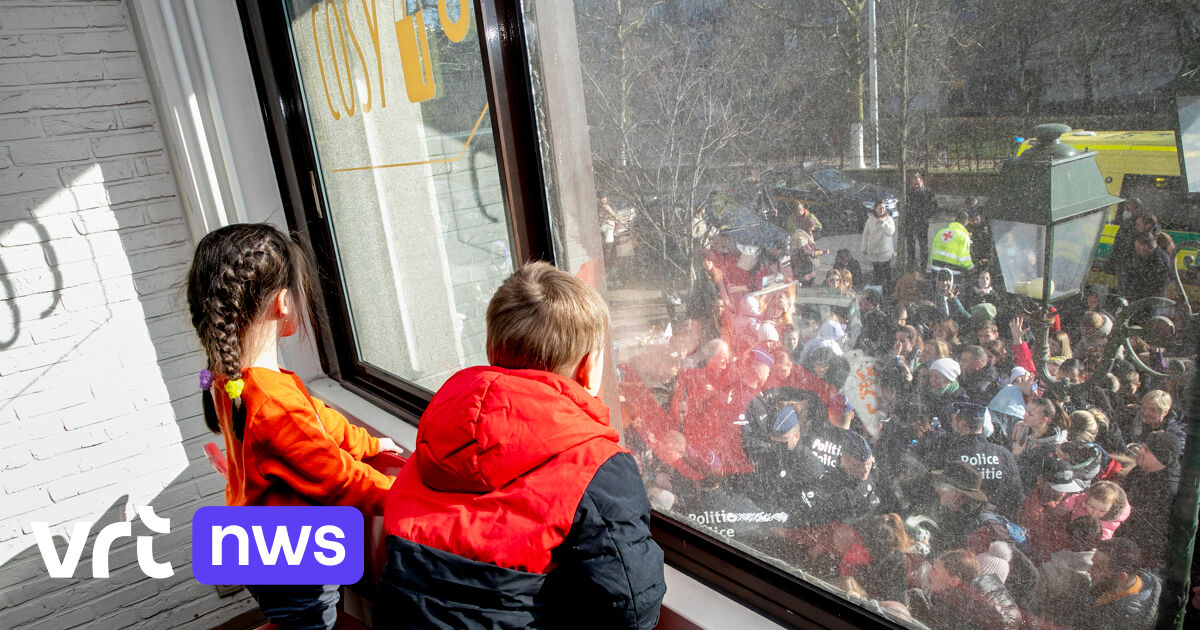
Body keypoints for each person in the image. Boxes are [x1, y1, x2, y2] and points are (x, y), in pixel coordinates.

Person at [376, 262, 665, 629]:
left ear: (493, 350)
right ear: (589, 368)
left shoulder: (439, 434)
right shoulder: (594, 464)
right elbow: (633, 608)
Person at [186, 224, 401, 629]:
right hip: (287, 554)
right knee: (310, 621)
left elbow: (319, 418)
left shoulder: (233, 378)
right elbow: (339, 479)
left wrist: (368, 442)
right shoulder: (274, 405)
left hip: (253, 538)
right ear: (283, 302)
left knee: (293, 617)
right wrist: (403, 495)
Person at [1085, 538, 1161, 630]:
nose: (1089, 570)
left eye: (1097, 568)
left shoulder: (1127, 621)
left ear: (1121, 578)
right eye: (1092, 563)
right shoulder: (1113, 585)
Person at [900, 172, 936, 269]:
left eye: (918, 184)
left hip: (922, 223)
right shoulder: (908, 192)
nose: (916, 186)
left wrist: (924, 216)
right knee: (910, 245)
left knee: (923, 246)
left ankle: (923, 266)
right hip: (910, 222)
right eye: (914, 184)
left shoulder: (928, 192)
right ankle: (911, 266)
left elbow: (934, 207)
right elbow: (902, 205)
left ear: (922, 182)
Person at [861, 199, 896, 292]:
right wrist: (864, 247)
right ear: (875, 209)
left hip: (885, 253)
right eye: (880, 208)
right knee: (877, 275)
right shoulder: (870, 220)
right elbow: (866, 234)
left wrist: (883, 223)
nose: (882, 210)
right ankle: (877, 293)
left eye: (884, 208)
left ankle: (888, 292)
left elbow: (891, 231)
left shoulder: (889, 219)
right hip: (873, 252)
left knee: (886, 274)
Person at [929, 210, 975, 275]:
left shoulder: (940, 232)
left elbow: (933, 250)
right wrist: (971, 268)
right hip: (952, 271)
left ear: (954, 219)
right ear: (967, 222)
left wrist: (932, 265)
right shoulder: (963, 237)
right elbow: (963, 258)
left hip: (936, 269)